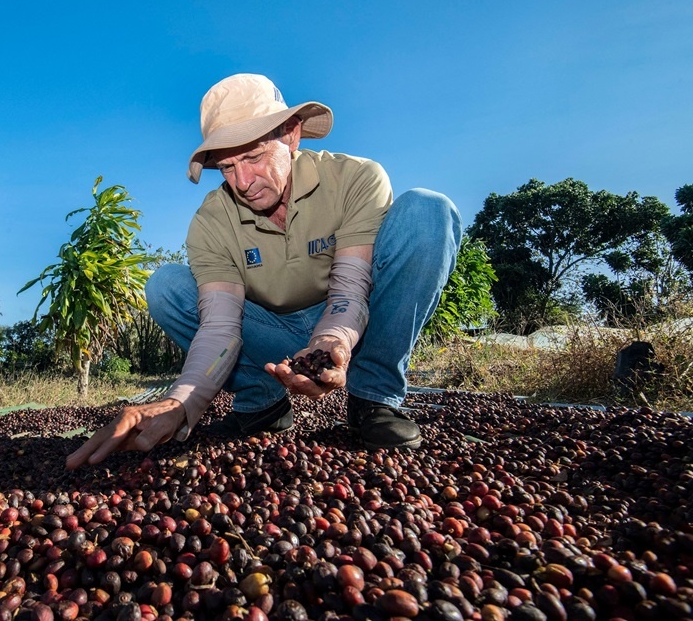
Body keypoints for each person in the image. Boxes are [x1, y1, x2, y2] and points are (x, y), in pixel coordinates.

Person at [66, 73, 461, 469]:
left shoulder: (355, 178)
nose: (242, 182)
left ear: (291, 135)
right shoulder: (212, 221)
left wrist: (330, 345)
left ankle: (373, 398)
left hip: (361, 323)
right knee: (167, 286)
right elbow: (218, 326)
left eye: (253, 158)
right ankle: (261, 404)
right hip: (276, 338)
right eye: (227, 167)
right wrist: (180, 401)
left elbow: (350, 292)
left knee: (427, 212)